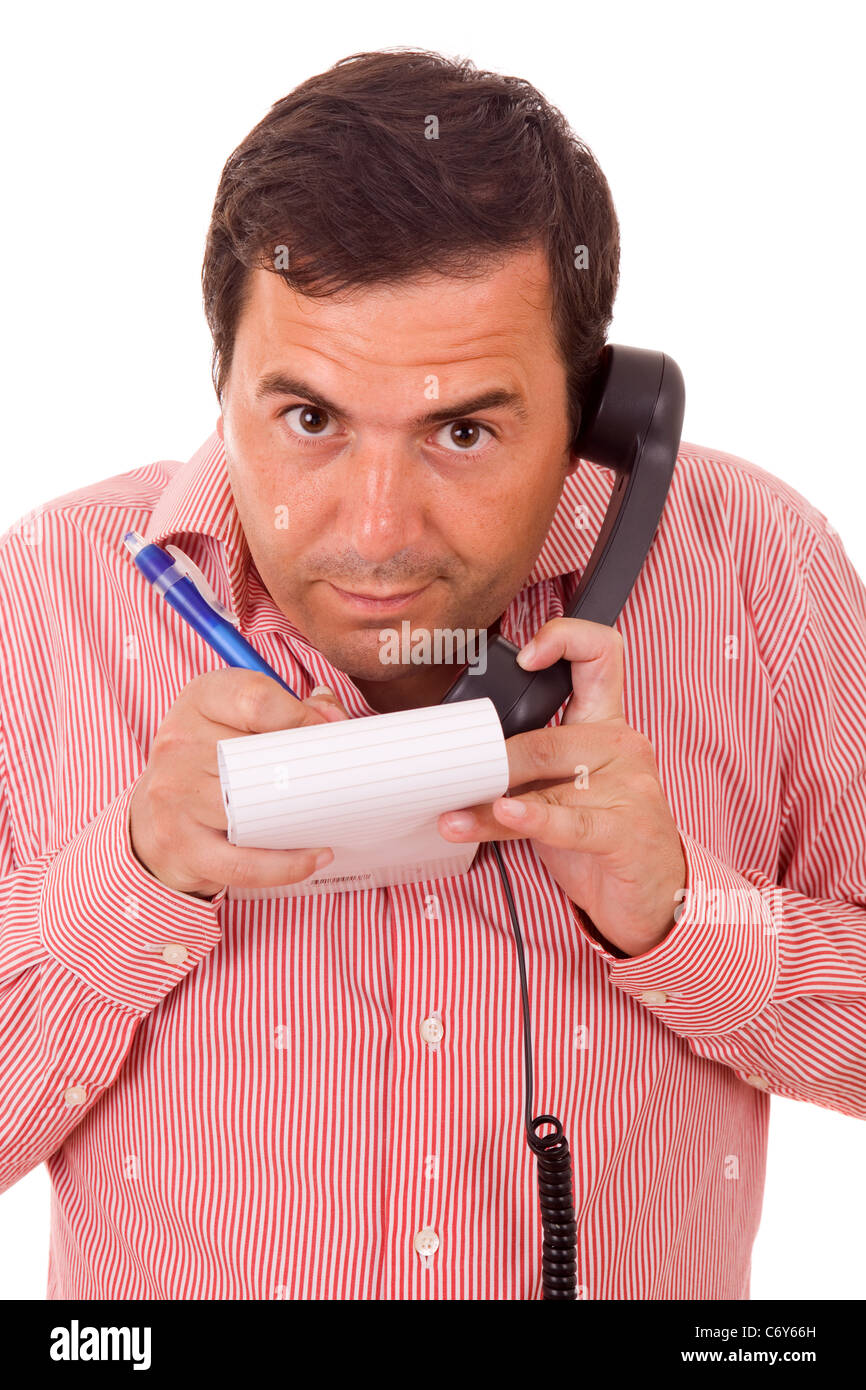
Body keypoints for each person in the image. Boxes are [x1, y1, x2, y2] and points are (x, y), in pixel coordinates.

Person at [1, 47, 864, 1301]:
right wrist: (126, 882)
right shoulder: (43, 598)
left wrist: (687, 917)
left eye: (462, 429)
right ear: (223, 386)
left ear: (587, 416)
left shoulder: (756, 570)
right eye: (307, 420)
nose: (374, 530)